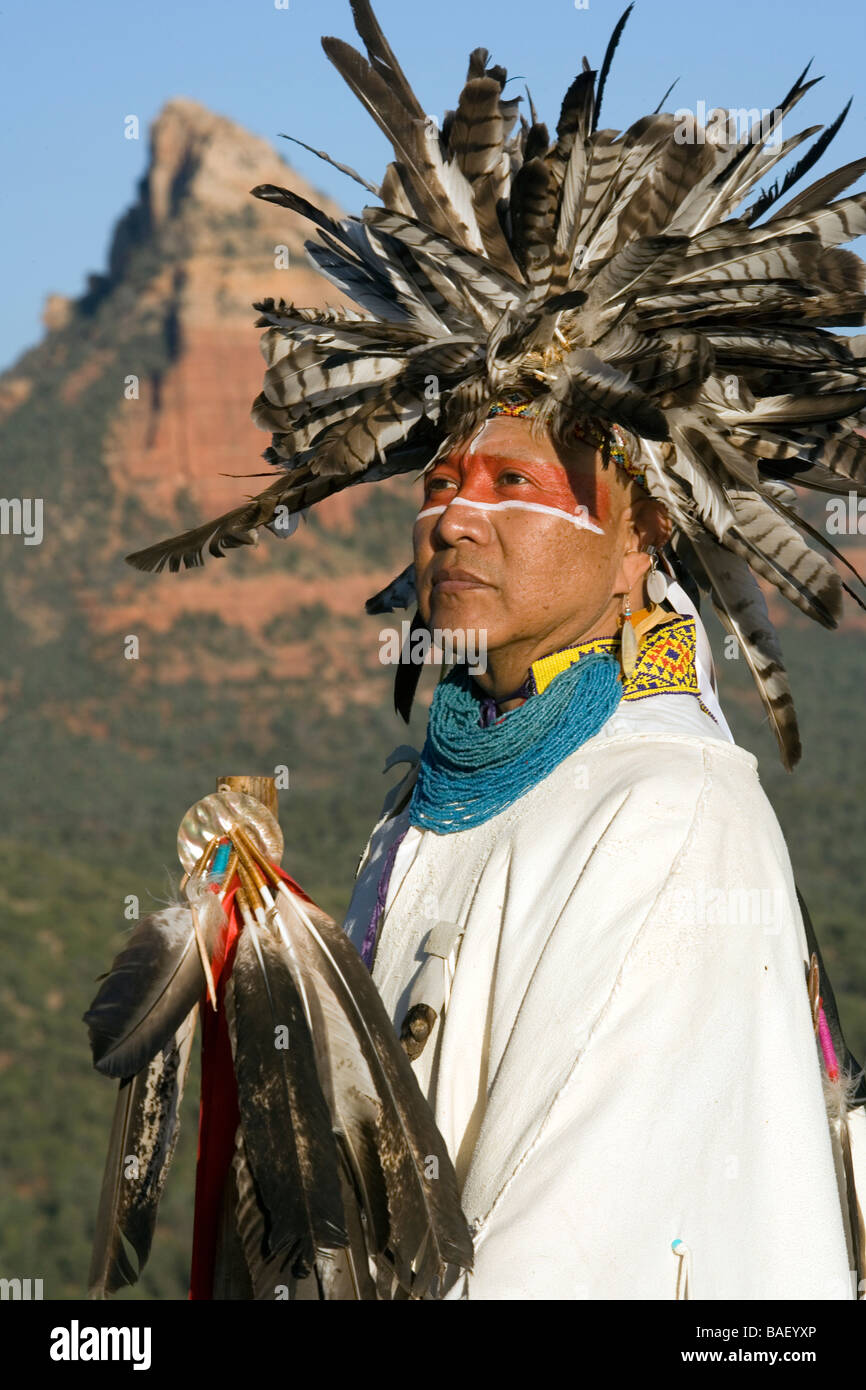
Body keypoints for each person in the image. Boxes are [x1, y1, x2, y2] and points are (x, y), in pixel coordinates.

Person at [127, 2, 866, 1298]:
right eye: (441, 477)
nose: (453, 509)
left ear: (636, 531)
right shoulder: (425, 802)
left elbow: (585, 1250)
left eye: (512, 478)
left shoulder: (669, 812)